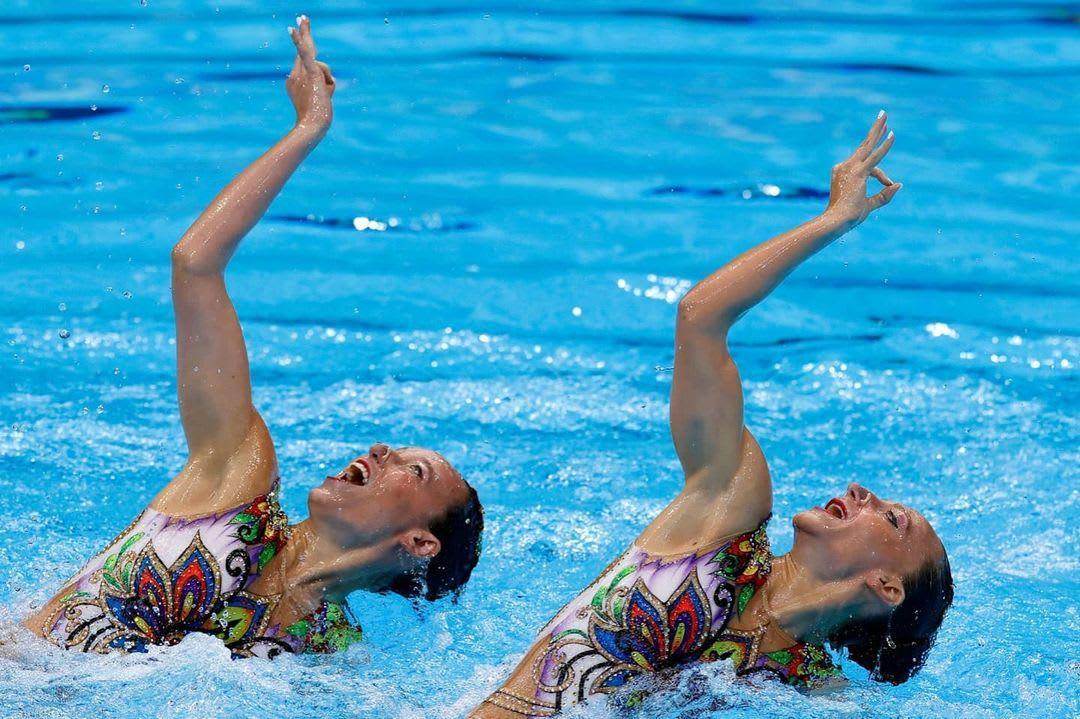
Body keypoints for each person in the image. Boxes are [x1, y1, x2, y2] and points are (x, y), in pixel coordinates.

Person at [23, 16, 482, 658]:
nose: (379, 447)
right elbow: (195, 263)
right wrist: (306, 130)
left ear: (420, 543)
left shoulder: (325, 659)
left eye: (414, 466)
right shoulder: (236, 475)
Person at [472, 113, 951, 717]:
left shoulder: (812, 693)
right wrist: (834, 221)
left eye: (892, 519)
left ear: (887, 588)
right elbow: (700, 319)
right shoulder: (728, 514)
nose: (861, 491)